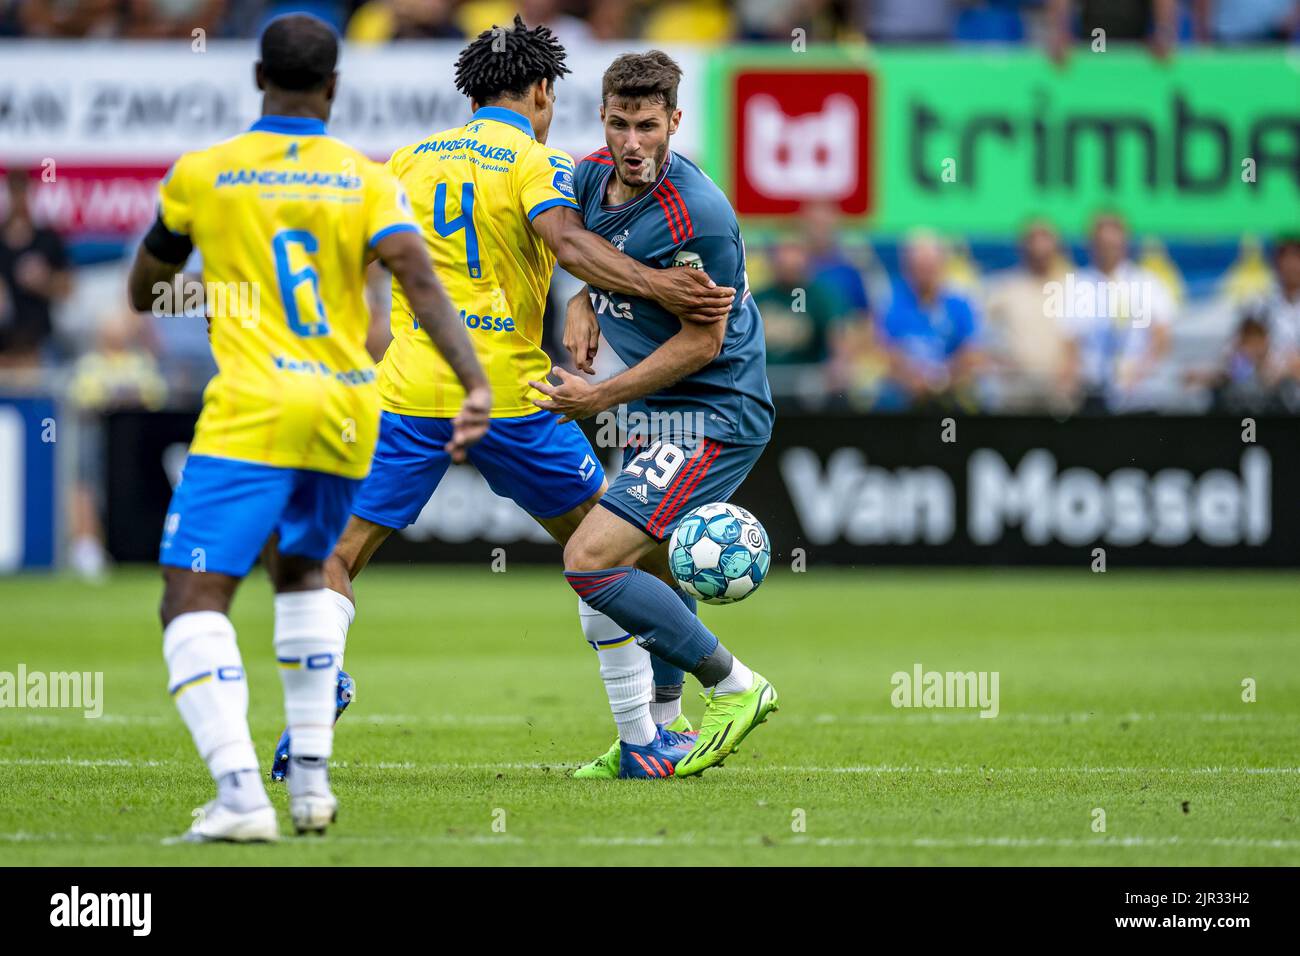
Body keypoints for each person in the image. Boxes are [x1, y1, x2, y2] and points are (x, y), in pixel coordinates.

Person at [266, 18, 734, 781]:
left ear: (471, 91)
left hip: (410, 392)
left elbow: (360, 253)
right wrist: (657, 284)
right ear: (543, 92)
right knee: (608, 552)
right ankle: (647, 736)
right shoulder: (536, 161)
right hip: (516, 398)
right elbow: (574, 246)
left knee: (336, 555)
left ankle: (320, 688)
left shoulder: (409, 159)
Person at [126, 13, 489, 843]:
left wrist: (194, 291)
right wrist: (473, 383)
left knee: (193, 593)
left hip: (254, 402)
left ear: (258, 80)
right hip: (347, 403)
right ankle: (313, 786)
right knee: (303, 576)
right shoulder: (365, 180)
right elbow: (420, 285)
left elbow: (149, 287)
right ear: (333, 88)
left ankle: (241, 794)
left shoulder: (205, 173)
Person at [539, 51, 778, 779]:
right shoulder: (585, 178)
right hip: (657, 413)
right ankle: (660, 735)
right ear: (602, 119)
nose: (633, 142)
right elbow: (594, 256)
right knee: (646, 565)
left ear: (675, 121)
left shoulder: (696, 214)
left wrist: (595, 396)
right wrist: (584, 299)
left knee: (589, 557)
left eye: (648, 125)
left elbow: (704, 343)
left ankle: (736, 686)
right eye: (620, 124)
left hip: (715, 410)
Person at [1069, 212, 1174, 412]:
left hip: (1140, 393)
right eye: (1102, 245)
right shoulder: (1076, 284)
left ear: (1125, 244)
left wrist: (1140, 372)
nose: (1107, 251)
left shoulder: (1147, 283)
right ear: (1091, 246)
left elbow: (1161, 336)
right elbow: (1070, 342)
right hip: (1093, 393)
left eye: (1113, 245)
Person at [876, 231, 982, 411]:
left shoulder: (960, 302)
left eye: (929, 267)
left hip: (951, 386)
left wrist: (943, 379)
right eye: (918, 267)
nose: (924, 274)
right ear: (907, 268)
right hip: (904, 390)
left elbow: (972, 352)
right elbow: (885, 351)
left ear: (941, 266)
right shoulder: (891, 301)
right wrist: (911, 379)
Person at [982, 219, 1080, 411]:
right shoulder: (1004, 287)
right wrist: (998, 362)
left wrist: (1071, 370)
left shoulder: (1074, 287)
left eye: (1045, 238)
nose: (1039, 246)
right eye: (1033, 239)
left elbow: (1082, 338)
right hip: (1016, 391)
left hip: (1060, 393)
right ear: (1022, 246)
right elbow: (980, 336)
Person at [0, 169, 72, 370]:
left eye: (22, 191)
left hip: (40, 342)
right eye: (13, 192)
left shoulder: (47, 239)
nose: (18, 199)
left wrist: (45, 281)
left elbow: (68, 289)